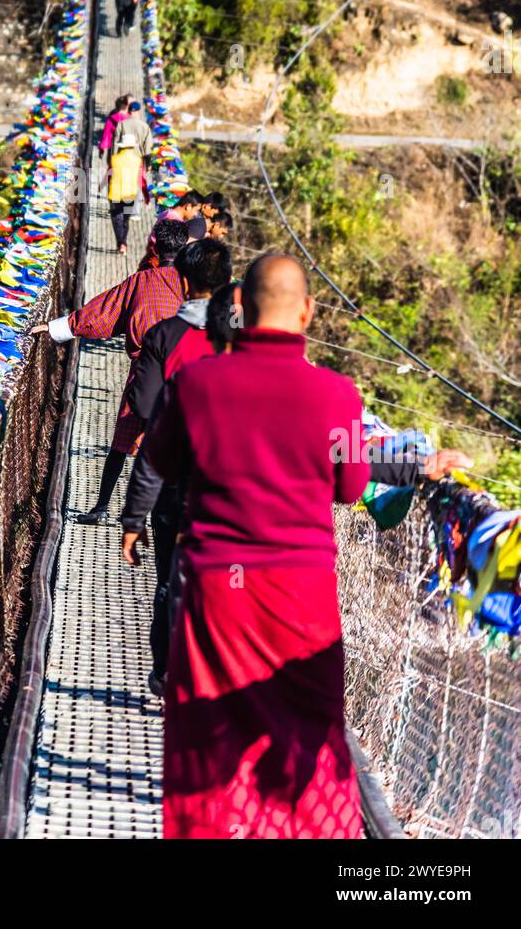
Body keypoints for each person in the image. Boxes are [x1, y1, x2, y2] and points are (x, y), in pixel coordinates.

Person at [144, 252, 370, 840]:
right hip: (304, 592)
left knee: (208, 727)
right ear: (308, 313)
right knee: (312, 727)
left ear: (239, 305)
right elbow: (351, 486)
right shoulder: (340, 397)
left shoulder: (195, 383)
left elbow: (162, 460)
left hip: (221, 585)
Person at [122, 239, 233, 695]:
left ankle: (166, 671)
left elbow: (143, 403)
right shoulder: (244, 343)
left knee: (170, 576)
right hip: (230, 485)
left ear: (182, 282)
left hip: (171, 480)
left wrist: (132, 517)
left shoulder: (164, 335)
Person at [32, 220, 190, 523]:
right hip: (185, 374)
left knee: (122, 442)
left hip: (145, 374)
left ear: (156, 245)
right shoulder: (192, 287)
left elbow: (103, 312)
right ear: (186, 248)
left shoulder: (140, 281)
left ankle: (101, 507)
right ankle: (168, 512)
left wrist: (57, 327)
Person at [106, 133, 142, 253]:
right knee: (126, 219)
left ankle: (121, 242)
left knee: (117, 218)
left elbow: (109, 176)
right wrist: (146, 196)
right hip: (130, 194)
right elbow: (141, 179)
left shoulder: (114, 159)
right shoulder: (137, 160)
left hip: (115, 194)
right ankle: (123, 243)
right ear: (132, 147)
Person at [99, 94, 131, 163]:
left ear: (116, 106)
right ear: (127, 106)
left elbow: (106, 135)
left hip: (114, 147)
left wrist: (102, 148)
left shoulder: (111, 118)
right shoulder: (131, 119)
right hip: (130, 148)